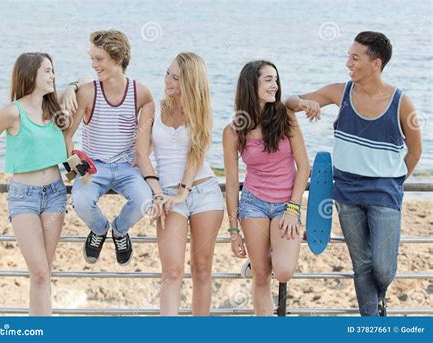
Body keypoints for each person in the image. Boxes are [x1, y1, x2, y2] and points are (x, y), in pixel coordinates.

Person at [285, 31, 422, 316]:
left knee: (383, 268)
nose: (348, 62)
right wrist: (304, 103)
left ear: (376, 63)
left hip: (385, 195)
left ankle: (380, 296)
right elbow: (290, 101)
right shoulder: (340, 93)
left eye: (355, 57)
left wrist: (393, 183)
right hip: (346, 194)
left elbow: (415, 152)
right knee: (361, 265)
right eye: (349, 55)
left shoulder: (401, 103)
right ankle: (371, 323)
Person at [0, 52, 69, 315]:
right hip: (24, 196)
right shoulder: (12, 112)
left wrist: (76, 86)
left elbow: (84, 83)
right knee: (39, 271)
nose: (53, 76)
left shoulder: (54, 108)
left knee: (46, 270)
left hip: (55, 194)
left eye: (53, 70)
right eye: (47, 71)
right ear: (30, 74)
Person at [135, 52, 224, 315]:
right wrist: (159, 194)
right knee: (172, 270)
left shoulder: (201, 109)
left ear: (190, 82)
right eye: (167, 73)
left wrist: (183, 192)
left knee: (201, 268)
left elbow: (197, 153)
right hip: (168, 193)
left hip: (205, 192)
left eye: (176, 77)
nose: (168, 81)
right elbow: (141, 154)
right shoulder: (152, 108)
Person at [223, 60, 310, 316]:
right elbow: (231, 183)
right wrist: (233, 230)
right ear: (252, 85)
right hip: (253, 203)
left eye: (276, 79)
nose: (275, 85)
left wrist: (294, 209)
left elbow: (304, 167)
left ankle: (262, 254)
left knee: (283, 270)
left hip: (286, 205)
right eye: (268, 80)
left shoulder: (287, 118)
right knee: (261, 276)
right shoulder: (234, 131)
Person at [61, 30, 154, 266]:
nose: (93, 64)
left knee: (144, 200)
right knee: (81, 202)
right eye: (91, 58)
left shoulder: (141, 93)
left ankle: (120, 231)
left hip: (127, 166)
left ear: (119, 57)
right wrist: (72, 167)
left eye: (99, 59)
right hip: (94, 166)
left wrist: (143, 158)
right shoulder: (87, 92)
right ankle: (100, 230)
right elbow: (67, 135)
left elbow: (148, 137)